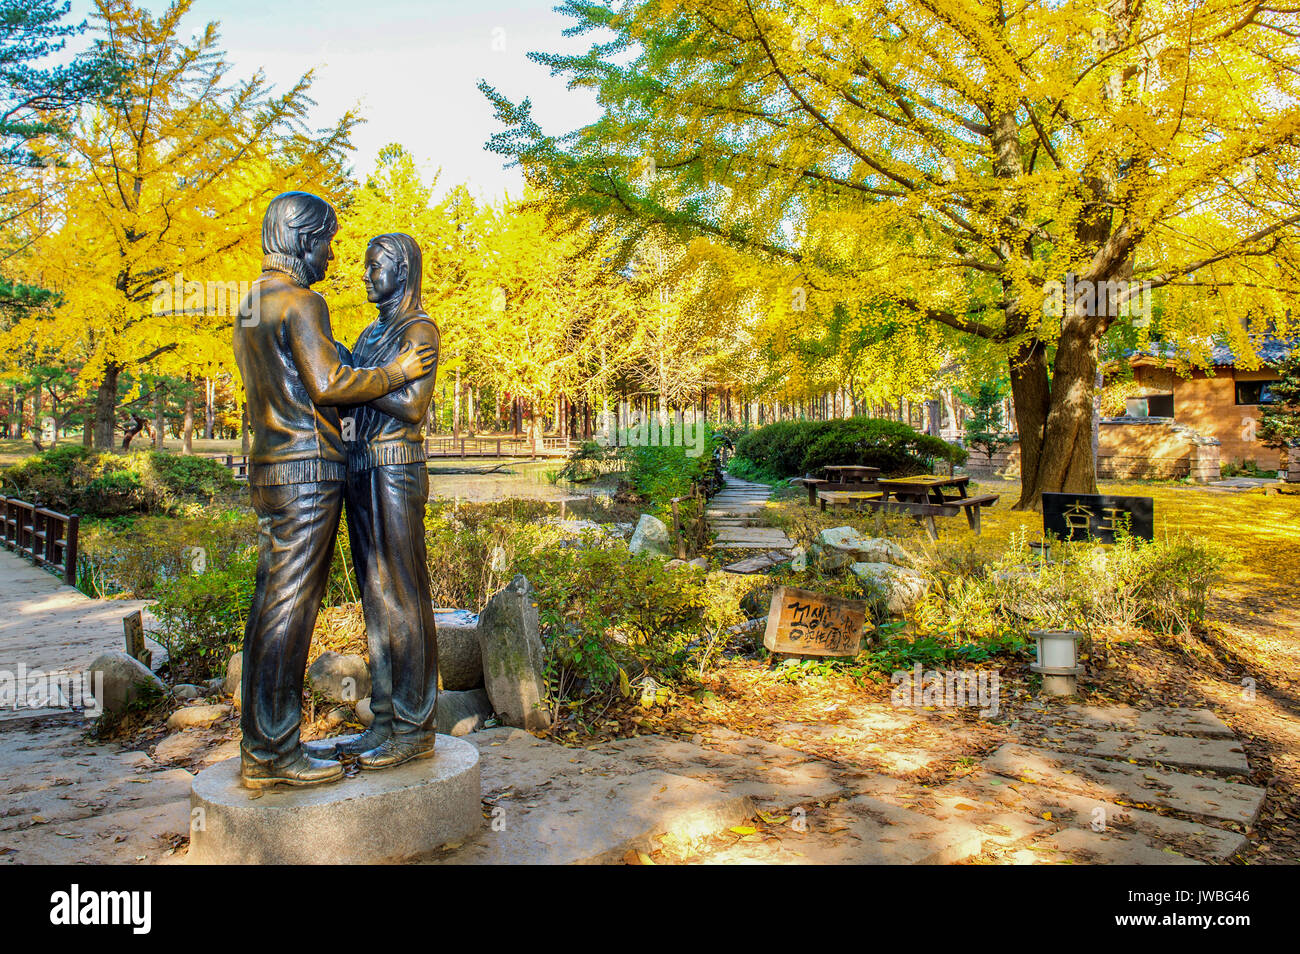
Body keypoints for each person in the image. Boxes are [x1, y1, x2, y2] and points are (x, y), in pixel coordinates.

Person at [232, 194, 436, 788]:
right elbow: (325, 381)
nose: (334, 257)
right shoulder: (302, 303)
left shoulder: (251, 304)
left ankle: (281, 743)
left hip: (283, 465)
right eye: (326, 242)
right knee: (290, 607)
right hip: (307, 468)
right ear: (303, 238)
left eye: (374, 263)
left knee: (285, 601)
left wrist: (365, 379)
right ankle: (272, 751)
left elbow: (307, 378)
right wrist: (392, 375)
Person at [305, 232, 441, 770]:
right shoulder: (369, 334)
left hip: (394, 468)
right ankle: (384, 719)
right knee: (376, 598)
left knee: (402, 595)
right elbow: (345, 393)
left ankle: (414, 726)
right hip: (361, 466)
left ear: (402, 270)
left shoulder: (418, 328)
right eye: (364, 264)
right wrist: (347, 368)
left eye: (375, 266)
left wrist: (354, 380)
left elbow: (412, 407)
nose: (364, 274)